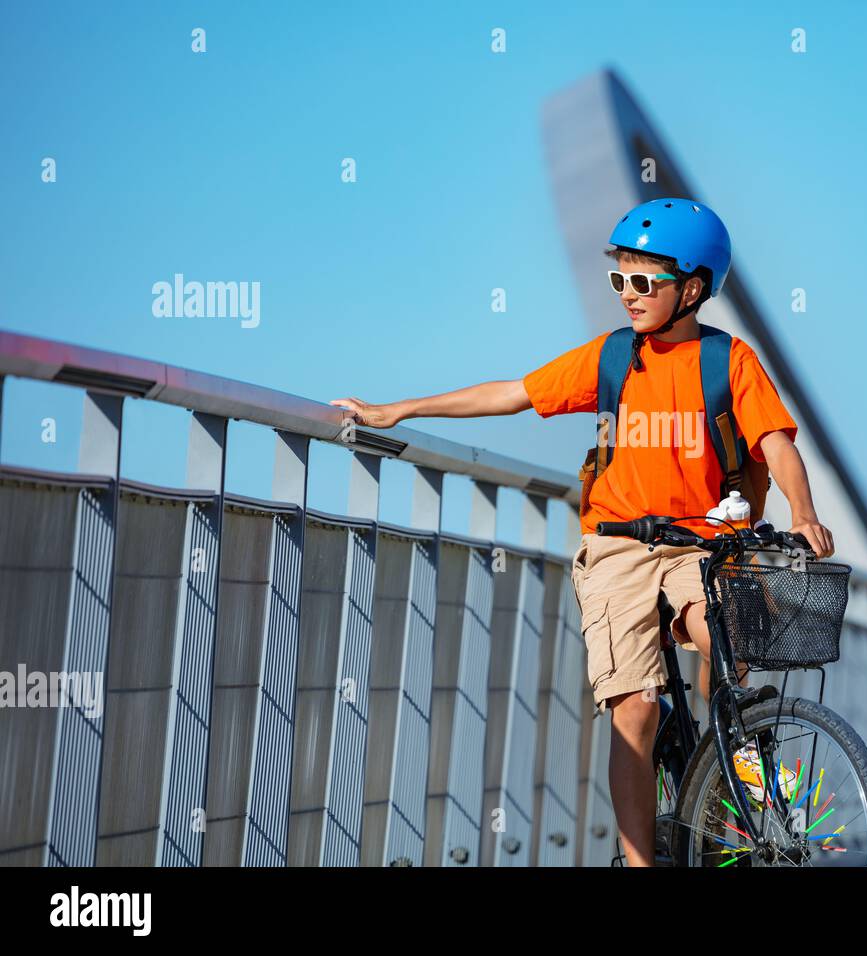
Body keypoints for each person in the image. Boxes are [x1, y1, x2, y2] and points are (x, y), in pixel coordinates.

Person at [331, 198, 834, 867]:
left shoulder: (728, 361)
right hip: (617, 548)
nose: (628, 295)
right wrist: (400, 409)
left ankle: (733, 754)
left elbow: (775, 442)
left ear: (691, 289)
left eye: (643, 282)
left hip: (697, 544)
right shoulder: (613, 359)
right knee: (636, 711)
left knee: (727, 637)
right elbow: (512, 393)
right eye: (618, 280)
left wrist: (803, 515)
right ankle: (638, 861)